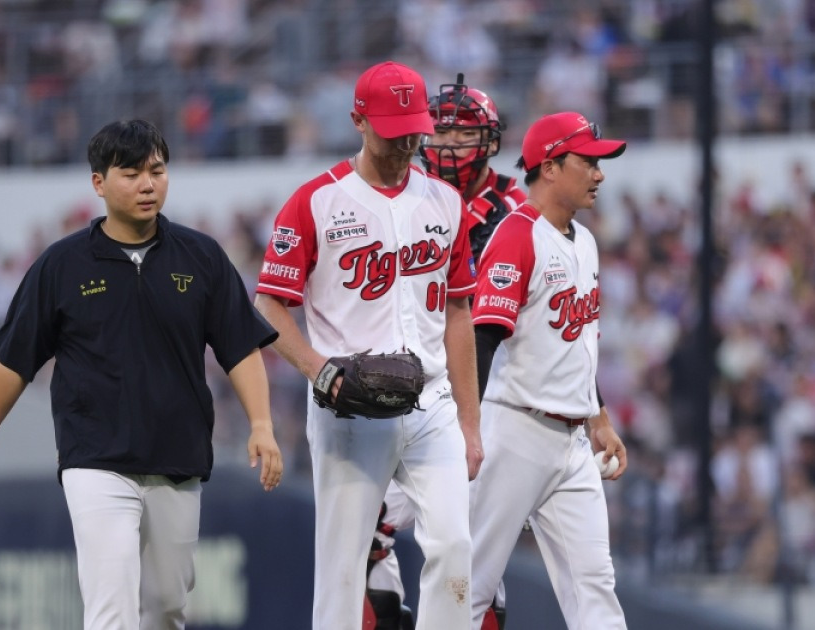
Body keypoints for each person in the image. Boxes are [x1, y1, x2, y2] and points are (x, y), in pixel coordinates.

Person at [0, 119, 284, 630]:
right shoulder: (61, 265)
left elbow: (240, 349)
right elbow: (14, 363)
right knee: (111, 608)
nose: (148, 184)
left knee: (168, 607)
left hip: (178, 456)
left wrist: (261, 425)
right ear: (98, 183)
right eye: (131, 173)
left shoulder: (202, 256)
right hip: (94, 460)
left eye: (157, 170)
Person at [254, 60, 482, 630]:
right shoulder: (315, 201)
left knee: (455, 548)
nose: (408, 140)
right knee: (342, 568)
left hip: (431, 405)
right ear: (358, 120)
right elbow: (269, 304)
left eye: (414, 127)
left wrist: (471, 424)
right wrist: (318, 369)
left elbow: (459, 311)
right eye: (393, 128)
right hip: (348, 405)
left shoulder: (445, 202)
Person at [364, 73, 524, 630]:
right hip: (412, 377)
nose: (452, 146)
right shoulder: (408, 193)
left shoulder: (516, 207)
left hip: (493, 387)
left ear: (490, 141)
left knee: (473, 553)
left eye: (465, 135)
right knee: (366, 536)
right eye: (445, 134)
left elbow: (484, 312)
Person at [468, 111, 630, 629]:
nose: (600, 174)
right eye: (589, 162)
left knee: (594, 585)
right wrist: (465, 429)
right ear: (551, 166)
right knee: (467, 586)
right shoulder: (517, 235)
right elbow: (482, 337)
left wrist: (598, 416)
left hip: (571, 440)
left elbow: (578, 343)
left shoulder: (584, 240)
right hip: (514, 430)